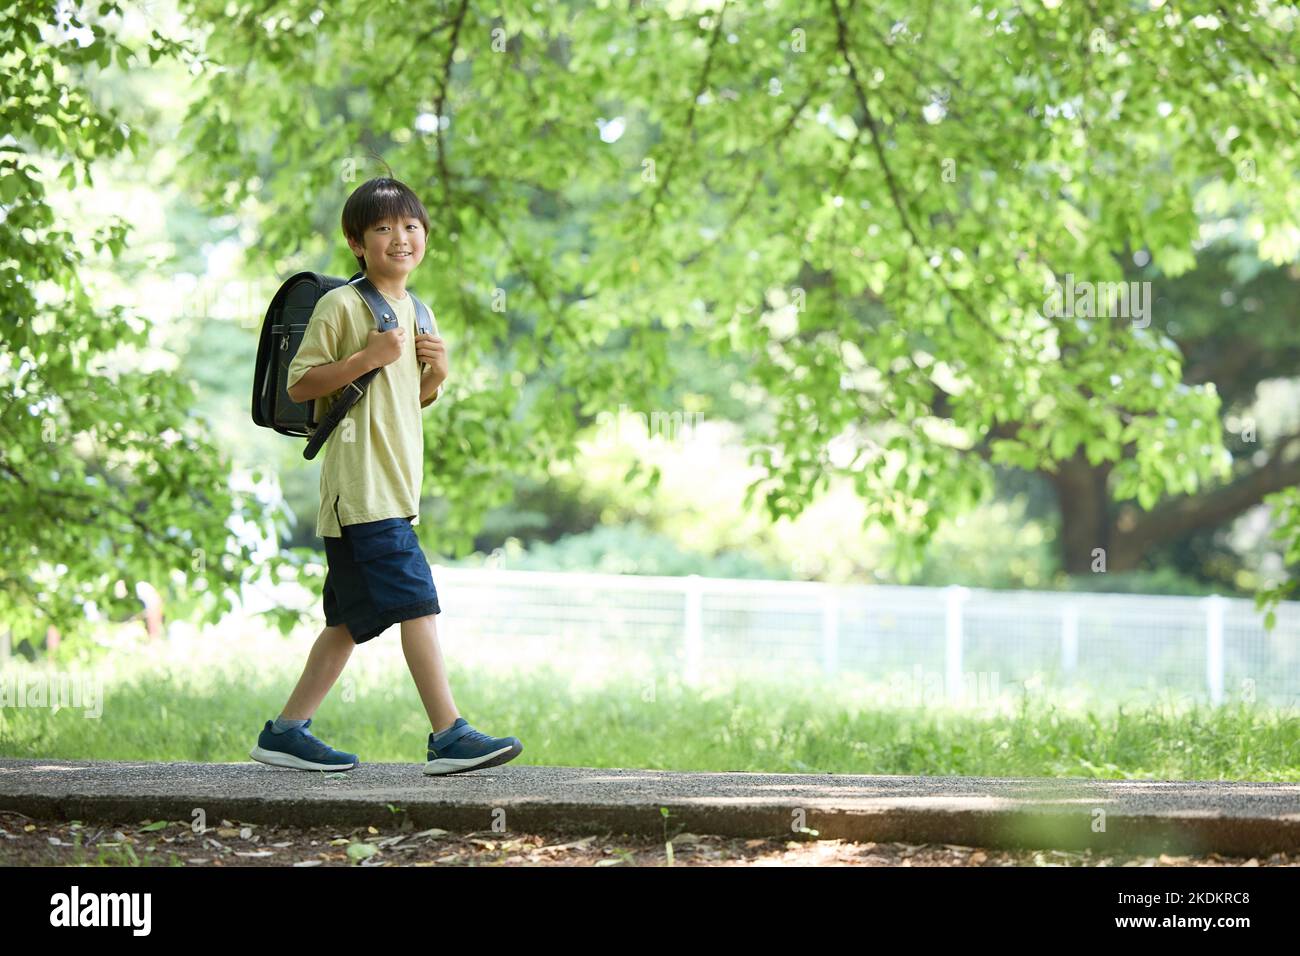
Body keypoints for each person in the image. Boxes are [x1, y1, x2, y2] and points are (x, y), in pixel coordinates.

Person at [249, 176, 522, 776]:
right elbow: (302, 384)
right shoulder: (342, 305)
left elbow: (403, 402)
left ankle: (285, 732)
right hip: (361, 490)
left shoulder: (416, 311)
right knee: (418, 603)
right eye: (383, 228)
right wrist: (367, 357)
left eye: (411, 227)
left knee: (348, 621)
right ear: (356, 241)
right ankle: (449, 734)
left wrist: (436, 378)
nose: (400, 238)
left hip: (392, 492)